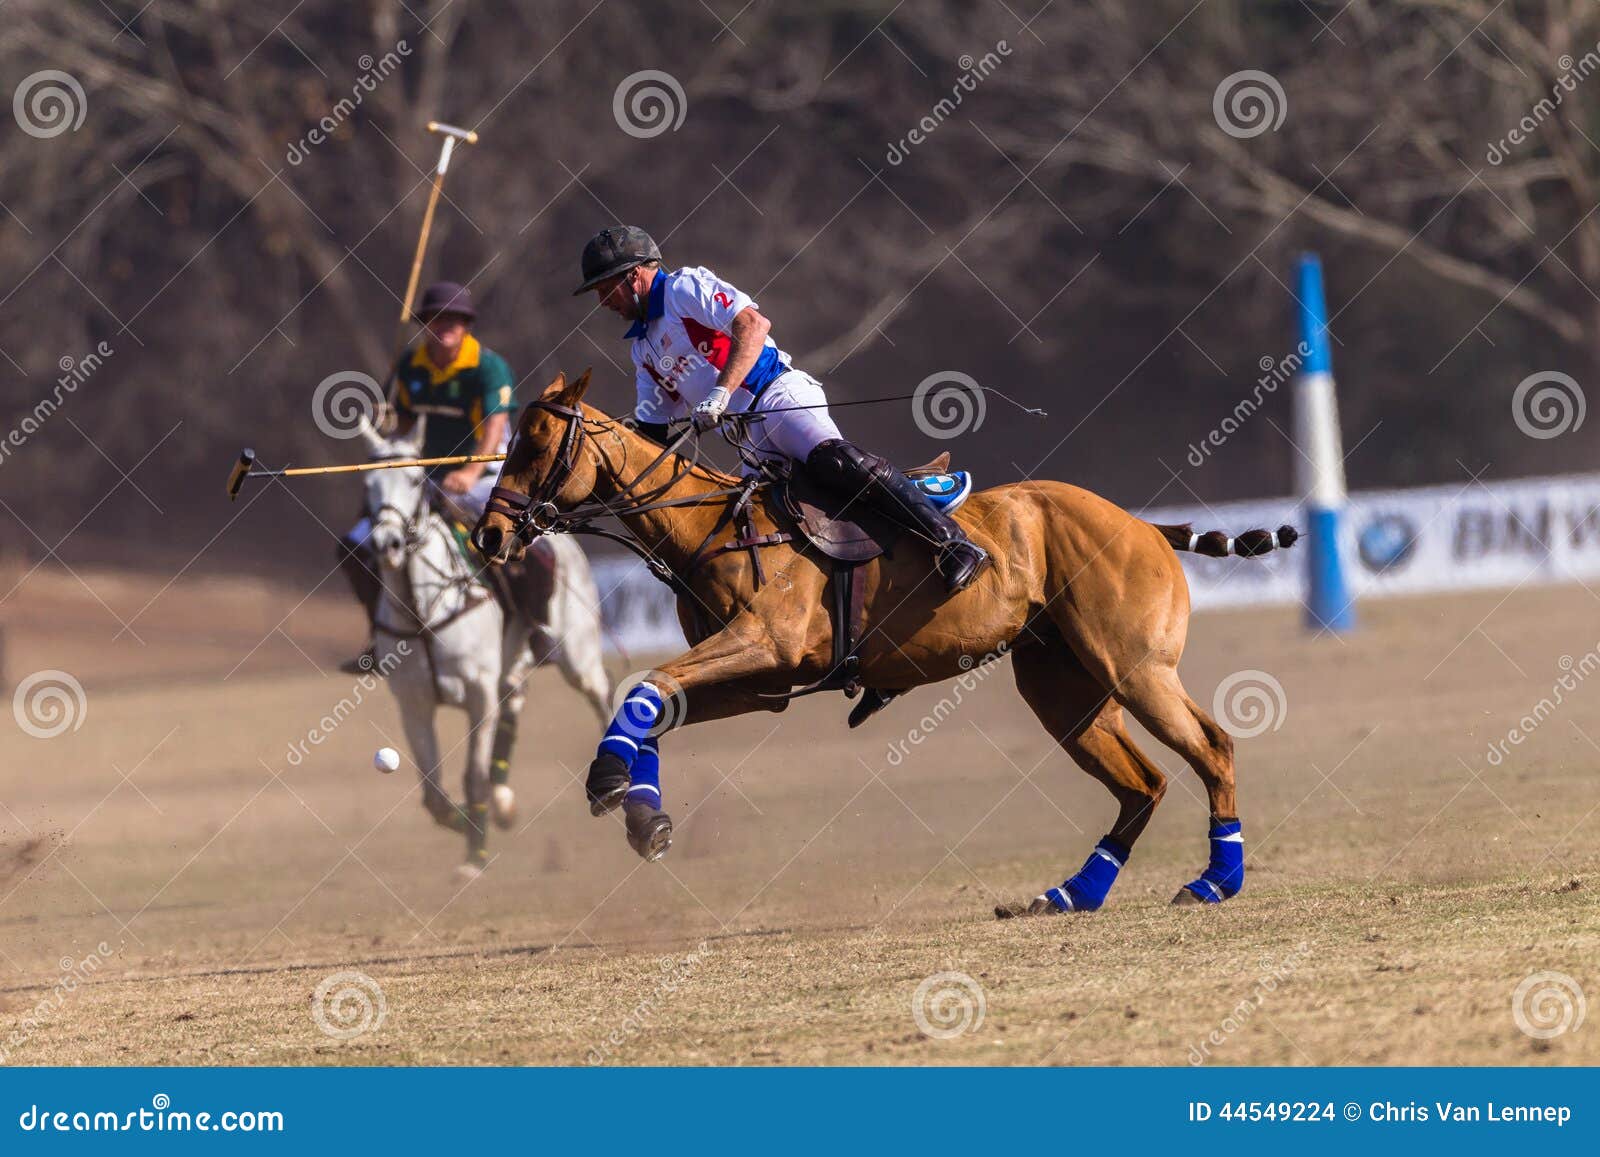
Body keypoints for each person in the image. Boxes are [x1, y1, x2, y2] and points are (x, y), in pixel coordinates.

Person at [573, 226, 990, 594]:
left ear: (633, 276)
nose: (601, 301)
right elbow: (651, 435)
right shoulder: (642, 348)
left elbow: (753, 326)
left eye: (603, 288)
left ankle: (953, 542)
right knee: (750, 534)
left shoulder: (684, 289)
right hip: (749, 443)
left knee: (834, 462)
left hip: (777, 397)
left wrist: (720, 393)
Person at [336, 281, 518, 674]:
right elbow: (404, 428)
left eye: (454, 318)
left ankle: (531, 627)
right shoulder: (411, 363)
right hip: (428, 477)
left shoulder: (488, 367)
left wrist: (470, 473)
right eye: (437, 318)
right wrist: (388, 427)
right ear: (426, 323)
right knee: (355, 547)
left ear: (466, 324)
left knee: (510, 544)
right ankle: (379, 638)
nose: (445, 325)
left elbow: (494, 428)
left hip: (483, 472)